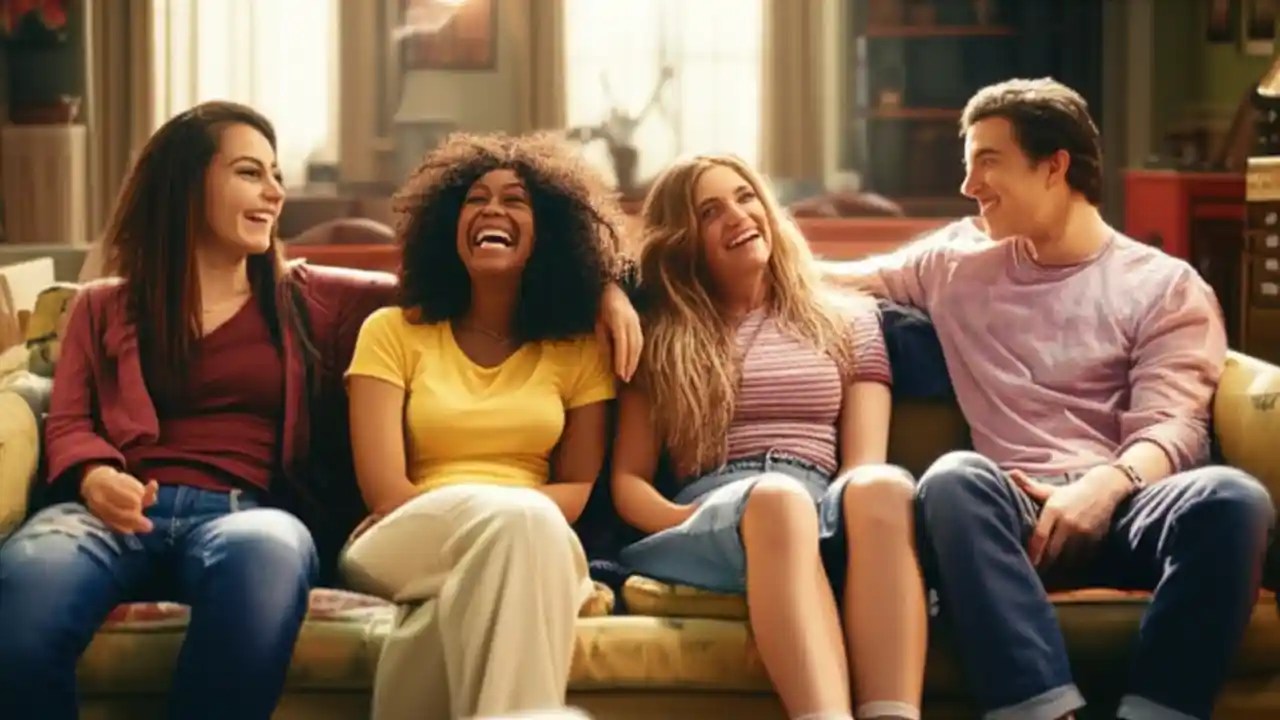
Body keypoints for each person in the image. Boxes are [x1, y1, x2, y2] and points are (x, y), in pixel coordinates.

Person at [825, 77, 1274, 720]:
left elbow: (1174, 426)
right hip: (1013, 507)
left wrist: (1105, 486)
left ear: (1054, 166)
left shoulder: (1164, 286)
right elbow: (826, 281)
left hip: (1129, 502)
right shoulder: (954, 261)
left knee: (1234, 498)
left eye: (988, 161)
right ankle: (1041, 712)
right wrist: (674, 264)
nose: (969, 185)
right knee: (952, 480)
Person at [0, 101, 322, 720]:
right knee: (24, 601)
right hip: (107, 517)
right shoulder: (100, 306)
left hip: (244, 516)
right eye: (250, 172)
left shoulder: (304, 302)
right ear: (187, 183)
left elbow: (423, 297)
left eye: (276, 175)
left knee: (269, 553)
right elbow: (68, 420)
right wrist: (95, 477)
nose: (275, 192)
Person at [612, 154, 926, 720]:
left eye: (745, 197)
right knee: (776, 501)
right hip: (713, 517)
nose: (738, 216)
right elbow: (628, 481)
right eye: (710, 212)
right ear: (683, 240)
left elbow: (861, 465)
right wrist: (699, 517)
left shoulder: (849, 318)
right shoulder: (659, 334)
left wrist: (817, 520)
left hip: (821, 508)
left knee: (882, 485)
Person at [338, 133, 630, 720]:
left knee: (510, 546)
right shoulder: (392, 331)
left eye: (515, 200)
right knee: (523, 525)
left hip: (533, 538)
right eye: (475, 199)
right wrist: (501, 513)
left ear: (549, 233)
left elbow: (576, 488)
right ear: (449, 226)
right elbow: (384, 490)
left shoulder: (579, 351)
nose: (492, 209)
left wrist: (613, 290)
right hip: (404, 534)